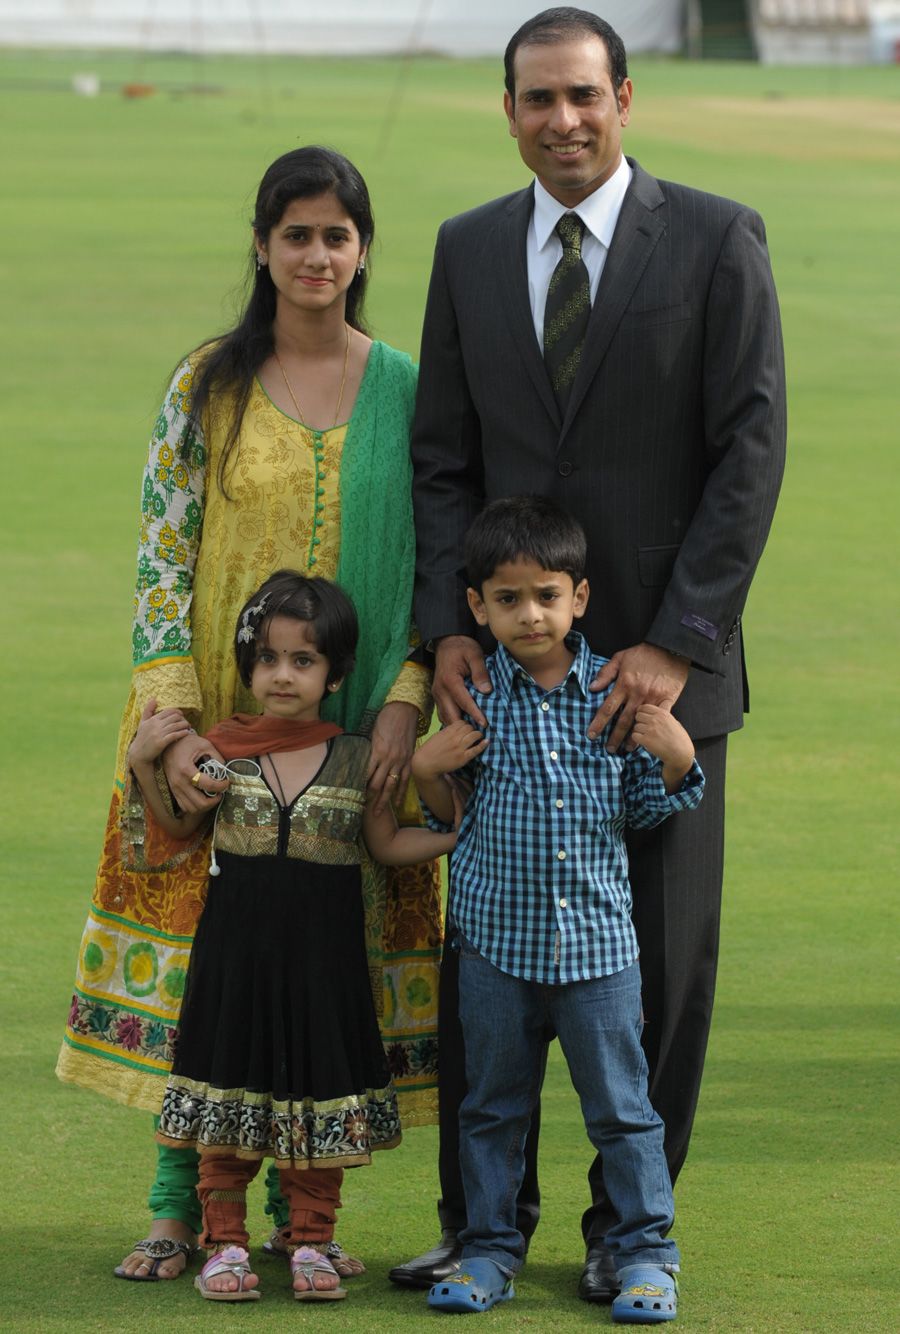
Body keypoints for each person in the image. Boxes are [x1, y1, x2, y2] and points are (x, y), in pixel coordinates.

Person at [398, 6, 786, 1302]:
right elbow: (442, 461)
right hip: (505, 678)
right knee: (488, 970)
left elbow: (750, 455)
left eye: (582, 95)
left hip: (659, 689)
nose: (561, 120)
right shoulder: (465, 250)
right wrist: (448, 626)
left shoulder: (719, 239)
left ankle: (633, 1234)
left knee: (661, 977)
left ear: (626, 97)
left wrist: (675, 644)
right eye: (534, 99)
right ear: (505, 110)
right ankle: (480, 1225)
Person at [57, 146, 441, 1281]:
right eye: (296, 233)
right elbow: (164, 554)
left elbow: (437, 563)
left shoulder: (410, 389)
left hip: (361, 730)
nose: (317, 254)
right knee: (204, 960)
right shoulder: (207, 383)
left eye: (337, 234)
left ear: (363, 248)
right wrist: (171, 719)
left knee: (324, 959)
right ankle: (179, 1205)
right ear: (264, 246)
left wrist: (403, 706)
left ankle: (298, 1217)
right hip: (215, 724)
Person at [123, 571, 461, 1301]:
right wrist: (141, 762)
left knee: (320, 1097)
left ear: (335, 673)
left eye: (303, 661)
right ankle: (225, 1242)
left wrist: (459, 837)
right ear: (246, 667)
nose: (283, 676)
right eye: (268, 660)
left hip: (325, 969)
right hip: (233, 966)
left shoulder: (354, 756)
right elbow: (176, 831)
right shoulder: (221, 753)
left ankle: (310, 1237)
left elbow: (387, 842)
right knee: (226, 1105)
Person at [410, 497, 703, 1321]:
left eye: (546, 595)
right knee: (493, 1108)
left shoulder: (611, 694)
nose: (529, 614)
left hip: (599, 954)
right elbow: (448, 818)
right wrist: (428, 768)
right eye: (507, 599)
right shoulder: (471, 699)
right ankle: (490, 1250)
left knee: (621, 1109)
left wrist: (677, 761)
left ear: (579, 595)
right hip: (494, 950)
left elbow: (646, 811)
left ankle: (646, 1254)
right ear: (477, 607)